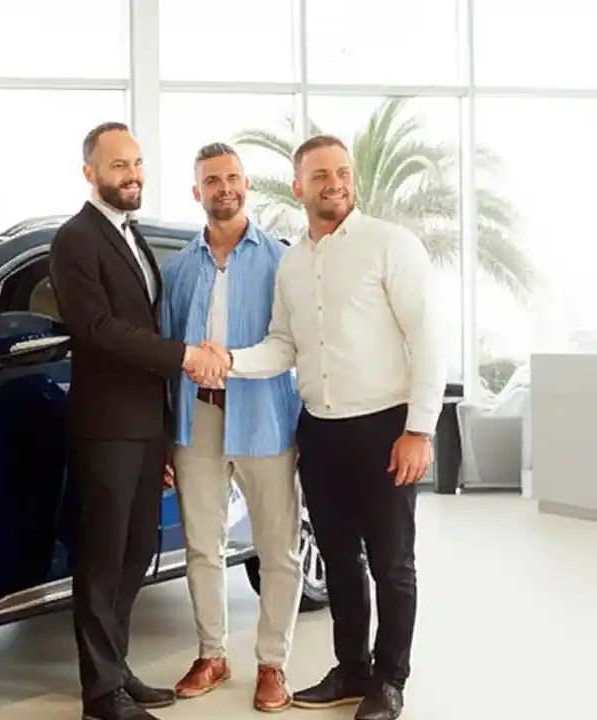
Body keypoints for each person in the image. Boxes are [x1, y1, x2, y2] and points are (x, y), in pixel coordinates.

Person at [207, 134, 443, 720]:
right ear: (298, 187)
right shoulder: (293, 261)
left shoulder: (391, 245)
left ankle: (390, 681)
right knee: (338, 559)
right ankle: (352, 669)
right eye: (320, 175)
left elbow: (428, 339)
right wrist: (230, 360)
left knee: (392, 563)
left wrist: (420, 428)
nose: (334, 183)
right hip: (320, 430)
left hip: (386, 428)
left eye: (342, 172)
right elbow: (283, 344)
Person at [50, 121, 228, 720]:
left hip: (146, 424)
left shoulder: (130, 235)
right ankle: (101, 696)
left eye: (138, 163)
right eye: (118, 166)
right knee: (102, 560)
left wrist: (165, 430)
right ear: (90, 174)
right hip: (105, 426)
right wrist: (185, 356)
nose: (132, 175)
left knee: (135, 555)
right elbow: (97, 330)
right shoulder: (75, 240)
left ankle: (115, 669)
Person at [160, 142, 305, 713]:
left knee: (278, 550)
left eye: (233, 178)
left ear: (246, 184)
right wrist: (165, 436)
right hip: (196, 418)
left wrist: (231, 360)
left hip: (266, 416)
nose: (224, 188)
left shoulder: (280, 259)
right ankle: (212, 654)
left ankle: (273, 665)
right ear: (197, 192)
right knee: (202, 546)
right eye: (211, 180)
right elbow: (164, 352)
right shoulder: (176, 269)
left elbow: (291, 346)